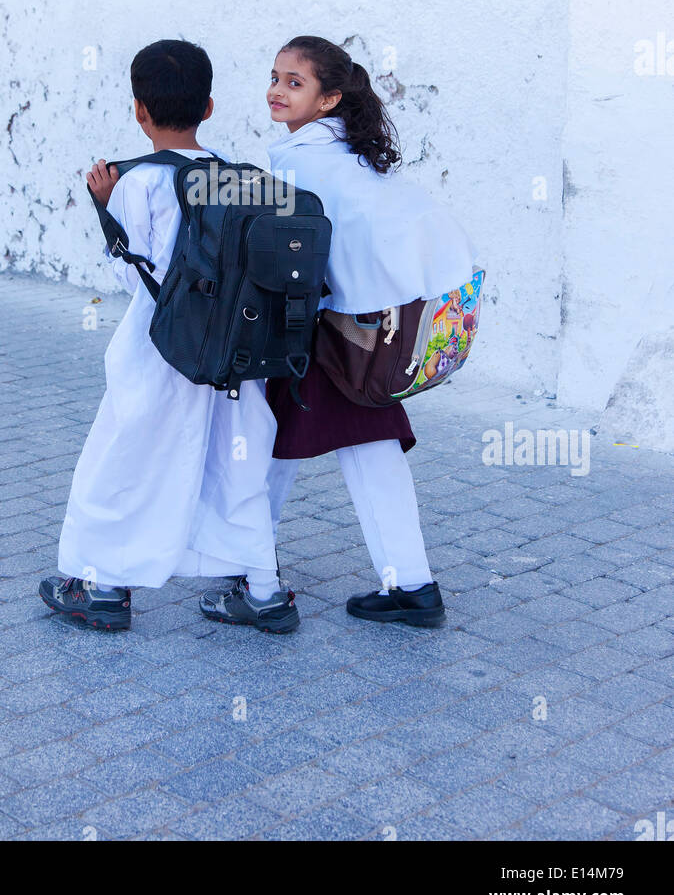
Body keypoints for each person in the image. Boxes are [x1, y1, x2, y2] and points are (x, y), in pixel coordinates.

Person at [40, 40, 298, 633]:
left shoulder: (136, 183)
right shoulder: (231, 170)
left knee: (126, 456)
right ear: (209, 107)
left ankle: (102, 587)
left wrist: (106, 204)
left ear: (138, 111)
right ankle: (262, 590)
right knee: (235, 463)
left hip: (161, 346)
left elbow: (131, 268)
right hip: (233, 349)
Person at [264, 35, 478, 628]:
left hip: (333, 334)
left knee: (272, 440)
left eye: (294, 82)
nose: (277, 91)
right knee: (358, 445)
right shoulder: (350, 154)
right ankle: (410, 585)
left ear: (329, 99)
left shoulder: (296, 161)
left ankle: (251, 573)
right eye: (275, 77)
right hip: (372, 327)